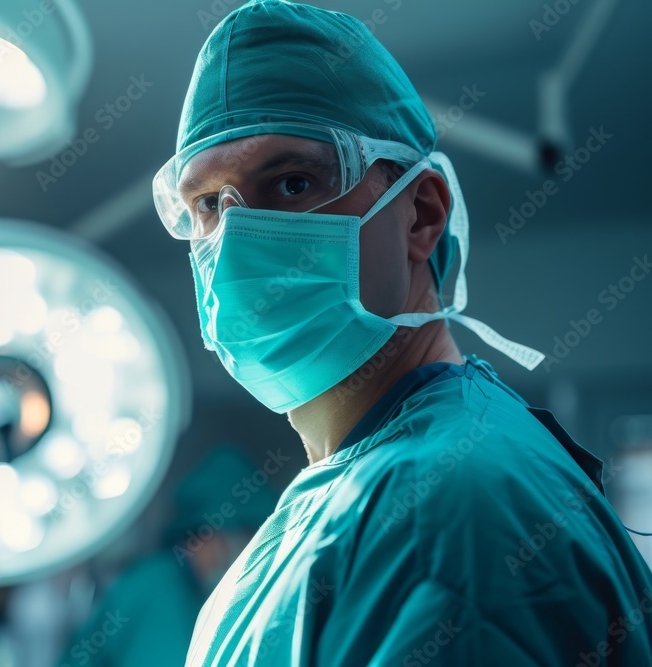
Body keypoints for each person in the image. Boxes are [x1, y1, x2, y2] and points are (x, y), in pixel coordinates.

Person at [150, 1, 652, 665]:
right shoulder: (347, 492)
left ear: (421, 214)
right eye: (208, 205)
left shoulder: (451, 511)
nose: (236, 244)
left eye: (293, 182)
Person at [57, 447, 277, 666]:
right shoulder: (159, 588)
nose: (242, 558)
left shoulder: (190, 593)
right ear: (201, 536)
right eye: (237, 541)